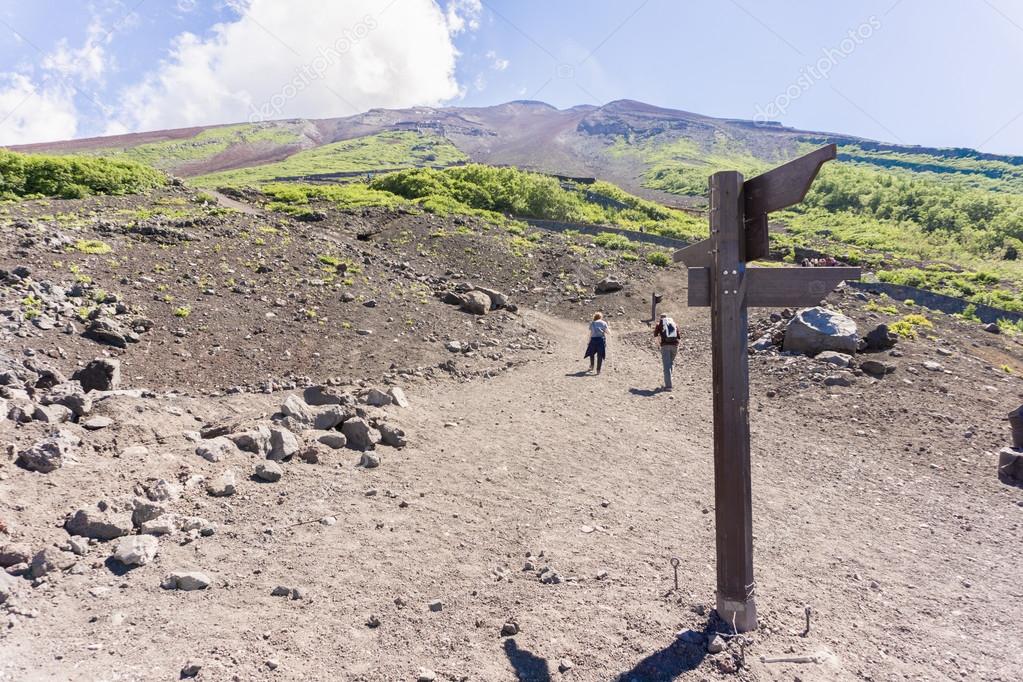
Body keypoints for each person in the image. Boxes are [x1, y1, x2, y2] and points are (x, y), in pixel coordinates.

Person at [653, 312, 679, 390]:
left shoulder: (659, 325)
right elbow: (679, 337)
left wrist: (658, 344)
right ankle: (669, 381)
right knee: (670, 363)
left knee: (667, 366)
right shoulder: (674, 324)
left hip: (665, 346)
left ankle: (668, 386)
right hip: (675, 346)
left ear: (661, 318)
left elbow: (656, 336)